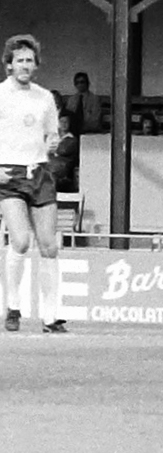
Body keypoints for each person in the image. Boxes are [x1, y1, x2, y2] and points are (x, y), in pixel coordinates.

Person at [0, 35, 66, 334]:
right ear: (9, 65)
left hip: (38, 172)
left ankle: (51, 317)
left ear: (36, 65)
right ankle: (12, 307)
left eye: (30, 60)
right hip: (8, 174)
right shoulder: (0, 95)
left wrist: (52, 142)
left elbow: (52, 136)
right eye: (20, 60)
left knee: (49, 245)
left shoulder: (44, 97)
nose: (25, 65)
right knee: (21, 241)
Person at [46, 112, 79, 193]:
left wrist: (51, 150)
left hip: (63, 168)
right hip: (52, 164)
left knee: (51, 170)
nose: (64, 124)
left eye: (66, 122)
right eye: (61, 121)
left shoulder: (72, 139)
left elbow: (62, 150)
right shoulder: (53, 137)